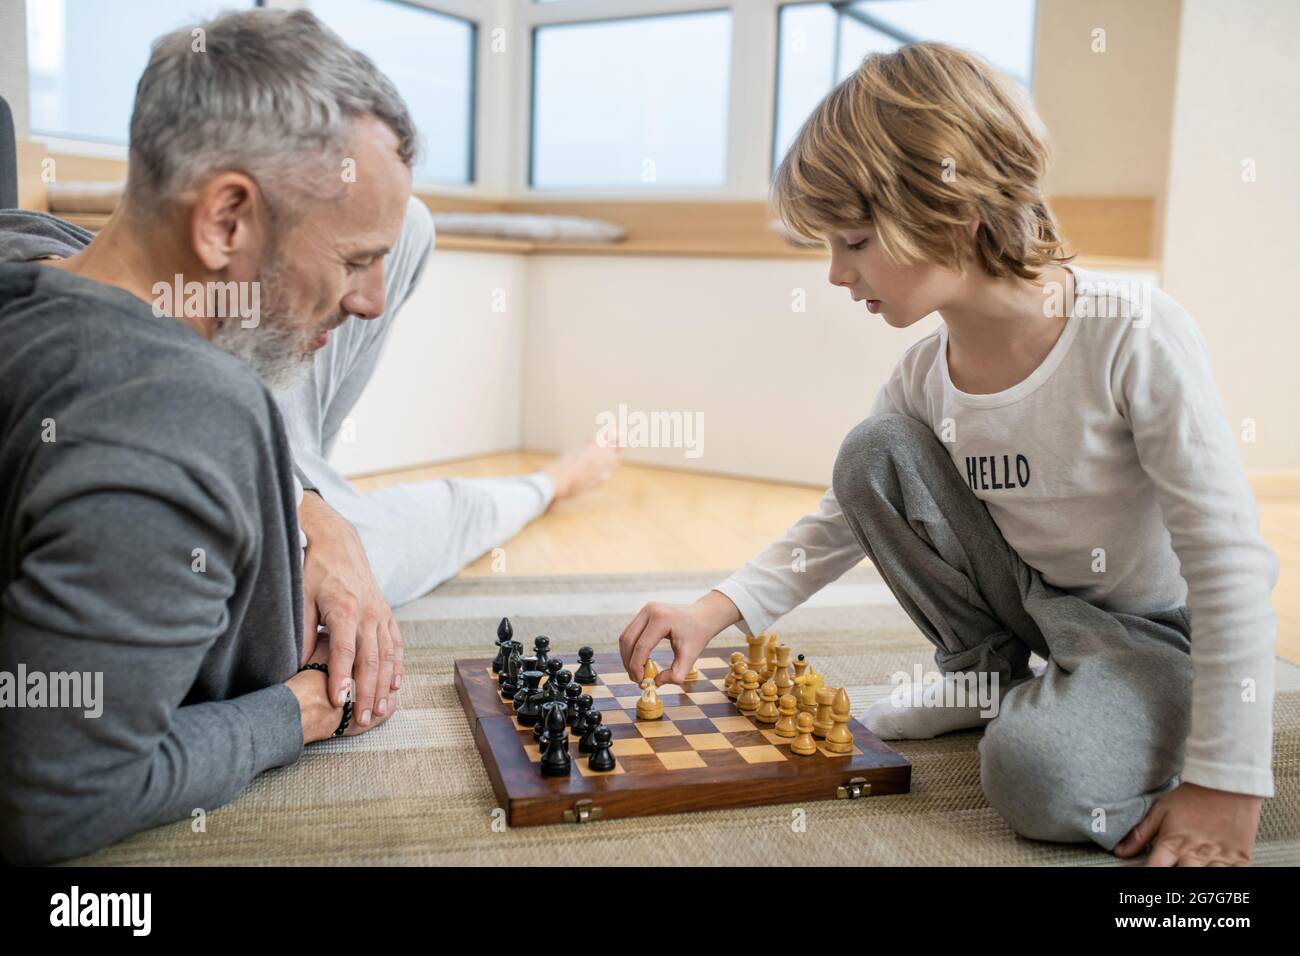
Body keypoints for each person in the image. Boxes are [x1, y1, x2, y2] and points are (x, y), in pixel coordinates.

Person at [616, 43, 1278, 865]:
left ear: (951, 207)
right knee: (874, 452)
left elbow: (1229, 562)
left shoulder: (1132, 332)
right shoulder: (923, 373)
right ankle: (985, 676)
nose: (833, 274)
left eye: (852, 242)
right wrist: (716, 609)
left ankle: (1125, 715)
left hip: (1147, 632)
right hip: (1029, 601)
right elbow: (843, 517)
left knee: (1035, 778)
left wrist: (1228, 781)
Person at [0, 8, 415, 864]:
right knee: (435, 527)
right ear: (226, 220)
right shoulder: (175, 419)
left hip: (282, 512)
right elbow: (57, 800)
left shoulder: (33, 248)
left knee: (396, 521)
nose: (373, 300)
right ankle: (560, 482)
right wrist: (298, 711)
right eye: (352, 261)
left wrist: (310, 513)